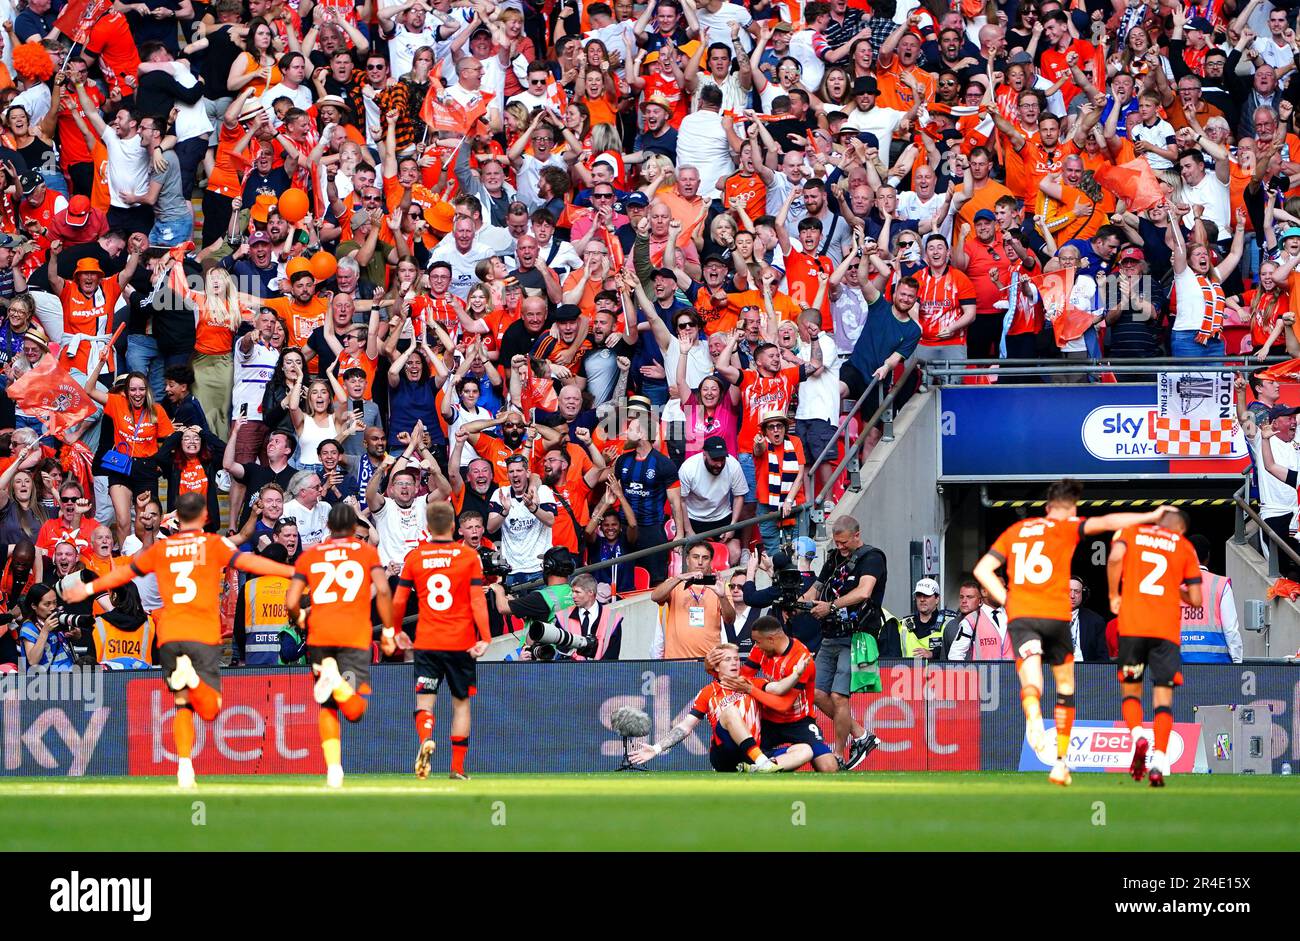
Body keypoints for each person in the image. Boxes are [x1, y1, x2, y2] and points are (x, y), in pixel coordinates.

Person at [64, 493, 295, 788]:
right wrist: (294, 570)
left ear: (177, 519)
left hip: (171, 633)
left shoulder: (163, 549)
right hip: (202, 633)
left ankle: (184, 765)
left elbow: (124, 574)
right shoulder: (212, 545)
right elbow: (253, 562)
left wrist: (87, 589)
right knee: (210, 708)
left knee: (182, 704)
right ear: (203, 517)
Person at [973, 479, 1175, 787]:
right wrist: (1150, 515)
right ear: (1057, 509)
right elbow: (1108, 521)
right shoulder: (1066, 528)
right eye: (1071, 510)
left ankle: (1033, 717)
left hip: (1023, 615)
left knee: (1031, 680)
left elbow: (982, 571)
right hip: (1055, 616)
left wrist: (1007, 600)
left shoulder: (1016, 531)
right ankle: (1060, 763)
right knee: (1065, 686)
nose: (1072, 514)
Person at [287, 503, 392, 789]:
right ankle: (340, 685)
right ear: (353, 528)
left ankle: (334, 770)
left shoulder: (310, 557)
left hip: (320, 634)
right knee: (354, 711)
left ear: (329, 527)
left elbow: (291, 601)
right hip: (353, 636)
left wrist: (301, 619)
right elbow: (382, 590)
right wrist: (390, 629)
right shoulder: (366, 553)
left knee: (327, 707)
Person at [390, 500, 492, 779]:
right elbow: (477, 600)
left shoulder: (415, 557)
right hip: (461, 643)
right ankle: (457, 769)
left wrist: (396, 630)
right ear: (451, 526)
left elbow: (399, 599)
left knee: (425, 702)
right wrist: (485, 636)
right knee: (461, 704)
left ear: (428, 526)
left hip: (427, 641)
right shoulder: (467, 557)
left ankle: (425, 739)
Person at [1107, 508, 1203, 787]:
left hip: (1132, 627)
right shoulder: (1184, 547)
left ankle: (1137, 735)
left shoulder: (1133, 532)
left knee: (1131, 691)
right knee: (1163, 699)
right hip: (1165, 632)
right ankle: (1160, 759)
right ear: (1181, 530)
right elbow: (1196, 599)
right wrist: (1175, 587)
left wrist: (1114, 594)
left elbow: (1114, 558)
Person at [632, 640, 814, 772]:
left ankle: (758, 769)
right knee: (730, 712)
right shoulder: (708, 692)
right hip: (725, 754)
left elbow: (779, 688)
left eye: (736, 659)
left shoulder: (753, 683)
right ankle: (763, 763)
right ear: (716, 668)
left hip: (753, 754)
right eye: (728, 660)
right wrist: (656, 748)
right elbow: (685, 726)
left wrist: (796, 674)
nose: (735, 662)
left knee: (805, 750)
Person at [801, 515, 883, 768]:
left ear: (857, 535)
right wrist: (798, 603)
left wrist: (831, 606)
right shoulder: (834, 559)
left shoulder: (873, 557)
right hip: (831, 634)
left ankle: (838, 752)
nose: (840, 547)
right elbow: (816, 588)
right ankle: (860, 734)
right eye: (837, 543)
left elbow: (864, 592)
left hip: (857, 635)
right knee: (814, 692)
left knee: (839, 696)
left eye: (844, 542)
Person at [649, 541, 732, 660]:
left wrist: (722, 597)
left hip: (709, 661)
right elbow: (655, 597)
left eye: (705, 558)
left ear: (711, 562)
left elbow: (730, 620)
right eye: (695, 557)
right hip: (676, 660)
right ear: (687, 560)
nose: (700, 562)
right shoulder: (675, 583)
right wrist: (679, 578)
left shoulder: (720, 586)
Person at [1179, 534, 1243, 664]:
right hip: (1216, 669)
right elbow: (1231, 630)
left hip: (1180, 666)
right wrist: (1237, 663)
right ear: (1207, 557)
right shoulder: (1220, 584)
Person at [881, 577, 954, 659]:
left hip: (937, 671)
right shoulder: (903, 624)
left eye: (926, 596)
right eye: (919, 595)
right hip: (906, 671)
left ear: (937, 599)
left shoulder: (949, 623)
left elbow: (957, 650)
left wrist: (933, 654)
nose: (922, 599)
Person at [946, 579, 1010, 661]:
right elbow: (955, 655)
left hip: (1012, 672)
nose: (1003, 591)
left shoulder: (1014, 616)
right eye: (997, 587)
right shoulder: (971, 620)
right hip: (983, 673)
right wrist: (970, 673)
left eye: (1004, 587)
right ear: (984, 592)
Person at [19, 583, 76, 671]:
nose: (53, 607)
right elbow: (33, 660)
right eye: (47, 604)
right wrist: (45, 631)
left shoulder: (58, 619)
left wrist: (75, 634)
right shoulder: (28, 628)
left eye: (55, 602)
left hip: (69, 672)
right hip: (47, 680)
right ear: (34, 606)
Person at [1069, 575, 1109, 662]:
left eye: (1076, 591)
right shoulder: (1049, 618)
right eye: (1069, 590)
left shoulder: (1096, 621)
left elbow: (1103, 658)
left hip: (1086, 671)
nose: (1072, 596)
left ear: (1083, 594)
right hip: (1056, 671)